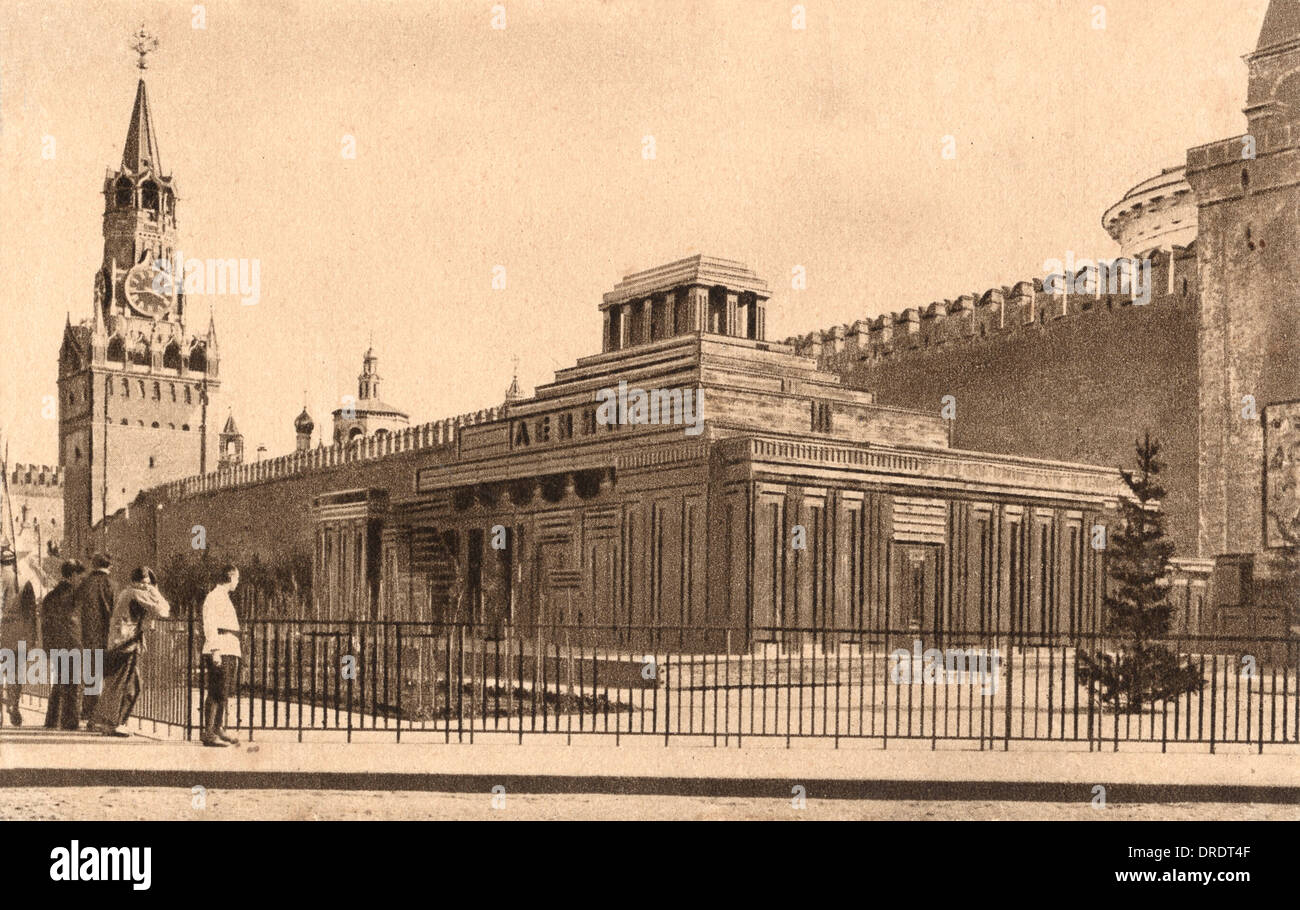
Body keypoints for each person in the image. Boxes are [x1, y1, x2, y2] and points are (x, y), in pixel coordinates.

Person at [90, 566, 170, 737]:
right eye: (144, 583)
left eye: (148, 584)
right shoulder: (135, 593)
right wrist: (155, 591)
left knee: (129, 684)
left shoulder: (128, 592)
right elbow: (163, 610)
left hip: (123, 642)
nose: (146, 587)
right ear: (137, 582)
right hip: (126, 644)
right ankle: (112, 722)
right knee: (124, 683)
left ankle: (111, 721)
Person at [42, 560, 87, 730]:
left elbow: (45, 625)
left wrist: (47, 647)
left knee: (60, 680)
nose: (81, 581)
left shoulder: (50, 596)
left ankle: (52, 719)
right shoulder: (76, 595)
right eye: (80, 577)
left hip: (55, 644)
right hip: (73, 642)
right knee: (74, 682)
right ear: (73, 575)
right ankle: (70, 722)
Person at [200, 565, 241, 747]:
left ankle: (217, 728)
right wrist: (215, 650)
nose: (237, 582)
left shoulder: (223, 597)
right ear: (231, 577)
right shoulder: (214, 597)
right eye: (237, 578)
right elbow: (210, 624)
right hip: (220, 649)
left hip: (229, 648)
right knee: (216, 691)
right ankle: (209, 732)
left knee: (223, 692)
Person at [75, 553, 115, 723]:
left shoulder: (84, 584)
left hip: (86, 635)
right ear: (109, 566)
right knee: (110, 676)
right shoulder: (112, 584)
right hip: (108, 636)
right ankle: (104, 713)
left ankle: (89, 711)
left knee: (91, 674)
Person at [0, 547, 36, 726]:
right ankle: (13, 704)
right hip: (18, 635)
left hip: (1, 633)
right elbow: (31, 612)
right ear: (13, 562)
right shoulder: (24, 581)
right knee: (16, 673)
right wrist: (32, 637)